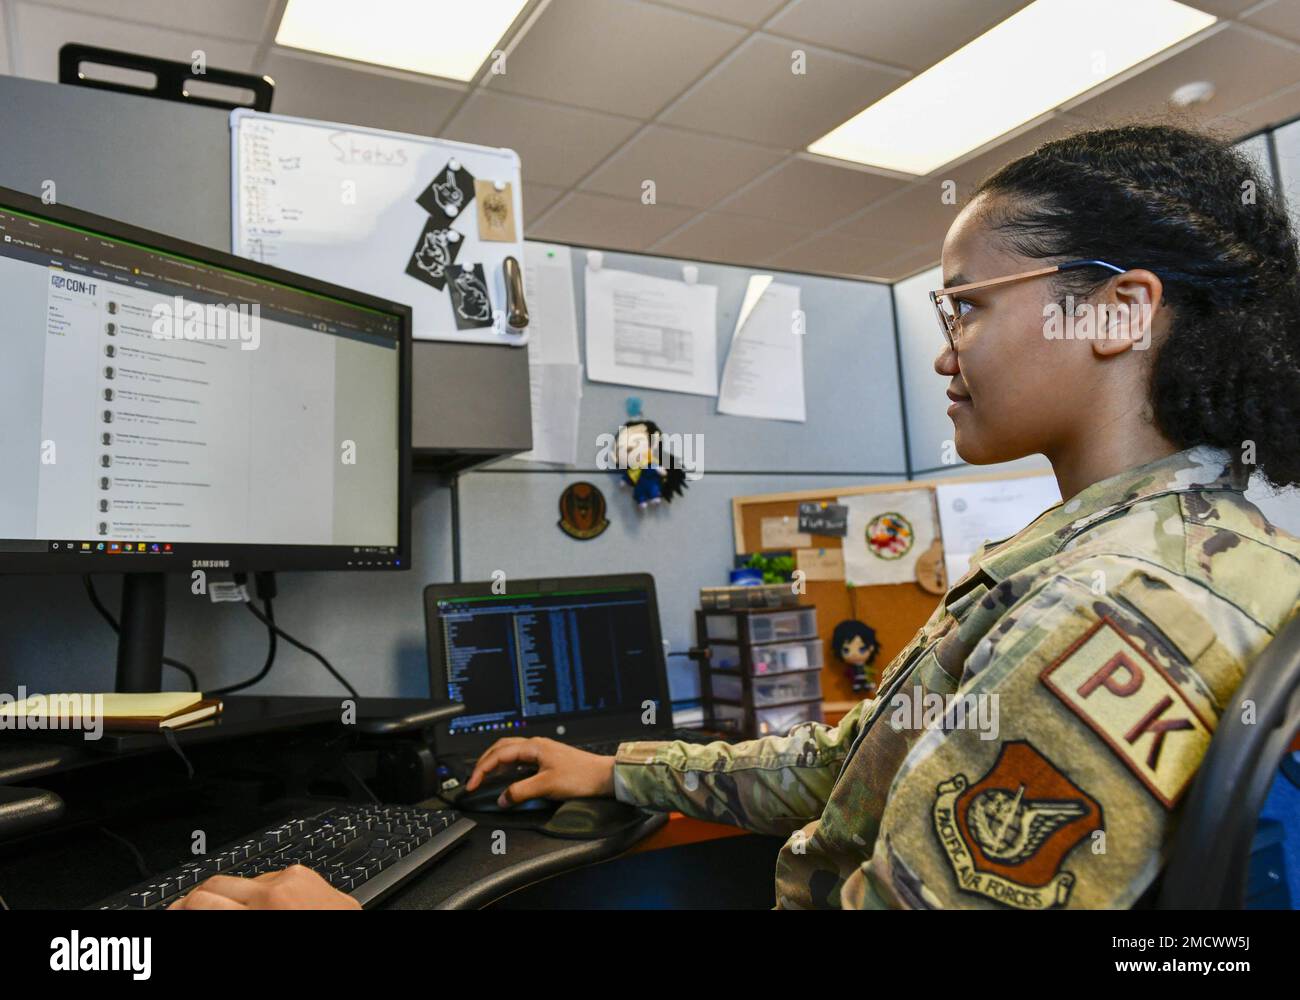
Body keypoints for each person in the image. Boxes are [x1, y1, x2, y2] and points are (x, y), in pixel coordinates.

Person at [172, 121, 1300, 910]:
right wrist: (619, 769)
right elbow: (858, 759)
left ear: (1114, 311)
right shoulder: (1215, 556)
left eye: (967, 305)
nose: (945, 350)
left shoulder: (1086, 617)